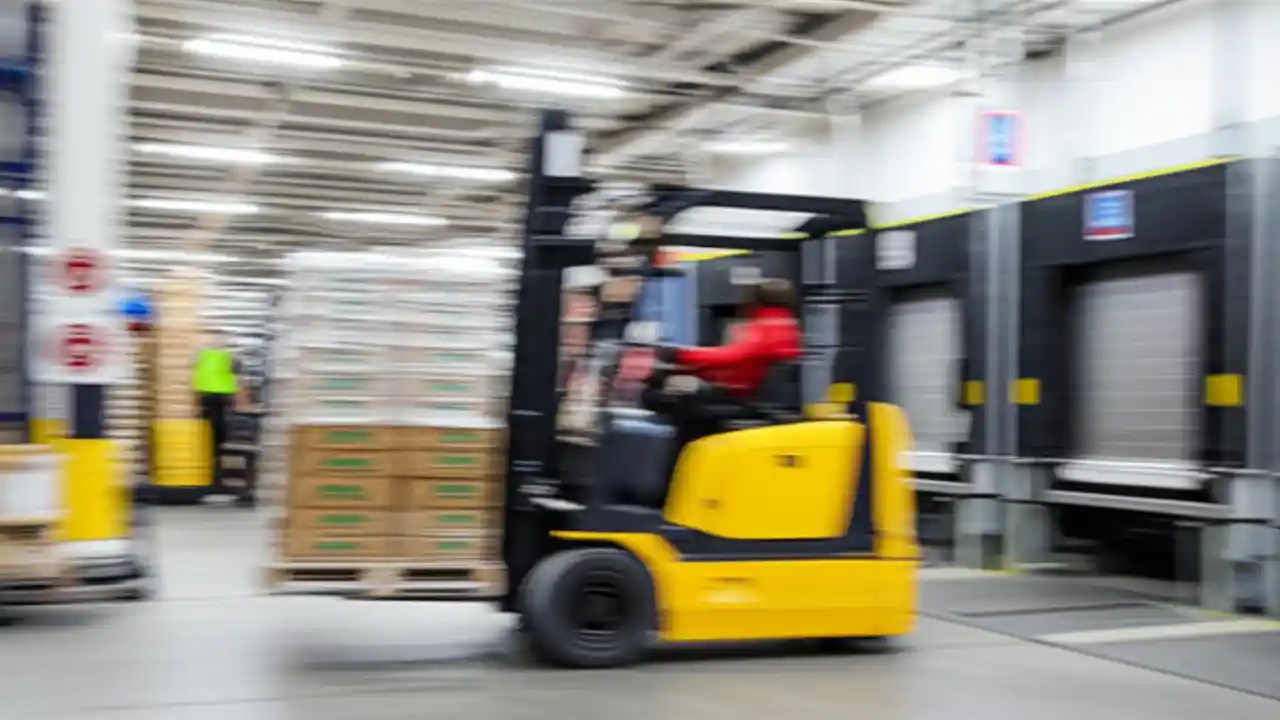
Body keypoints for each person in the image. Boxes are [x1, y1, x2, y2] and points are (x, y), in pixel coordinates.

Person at [671, 277, 801, 398]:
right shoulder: (791, 327)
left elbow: (730, 356)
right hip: (758, 392)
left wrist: (681, 355)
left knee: (673, 385)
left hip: (739, 392)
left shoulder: (764, 329)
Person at [191, 329, 245, 492]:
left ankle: (213, 475)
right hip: (214, 401)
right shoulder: (206, 356)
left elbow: (237, 380)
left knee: (216, 438)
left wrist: (240, 400)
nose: (216, 342)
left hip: (219, 401)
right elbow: (197, 380)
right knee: (213, 438)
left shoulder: (222, 356)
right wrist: (194, 405)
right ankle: (211, 475)